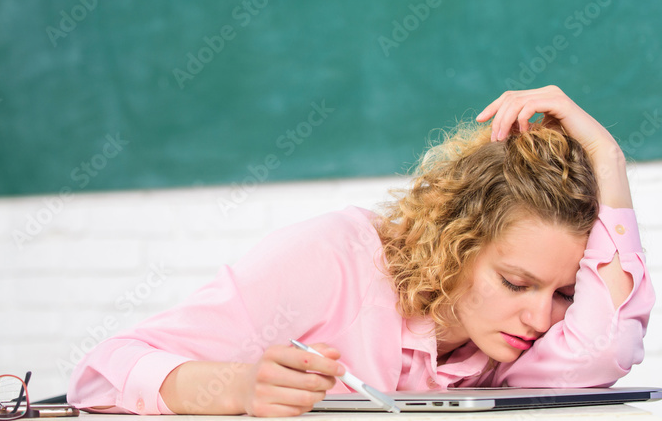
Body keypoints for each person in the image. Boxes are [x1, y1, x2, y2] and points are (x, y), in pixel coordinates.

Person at [66, 86, 655, 417]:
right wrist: (241, 387)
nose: (539, 318)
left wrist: (606, 156)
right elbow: (99, 376)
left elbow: (605, 350)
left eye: (564, 294)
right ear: (457, 238)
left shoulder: (510, 349)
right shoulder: (331, 259)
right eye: (515, 282)